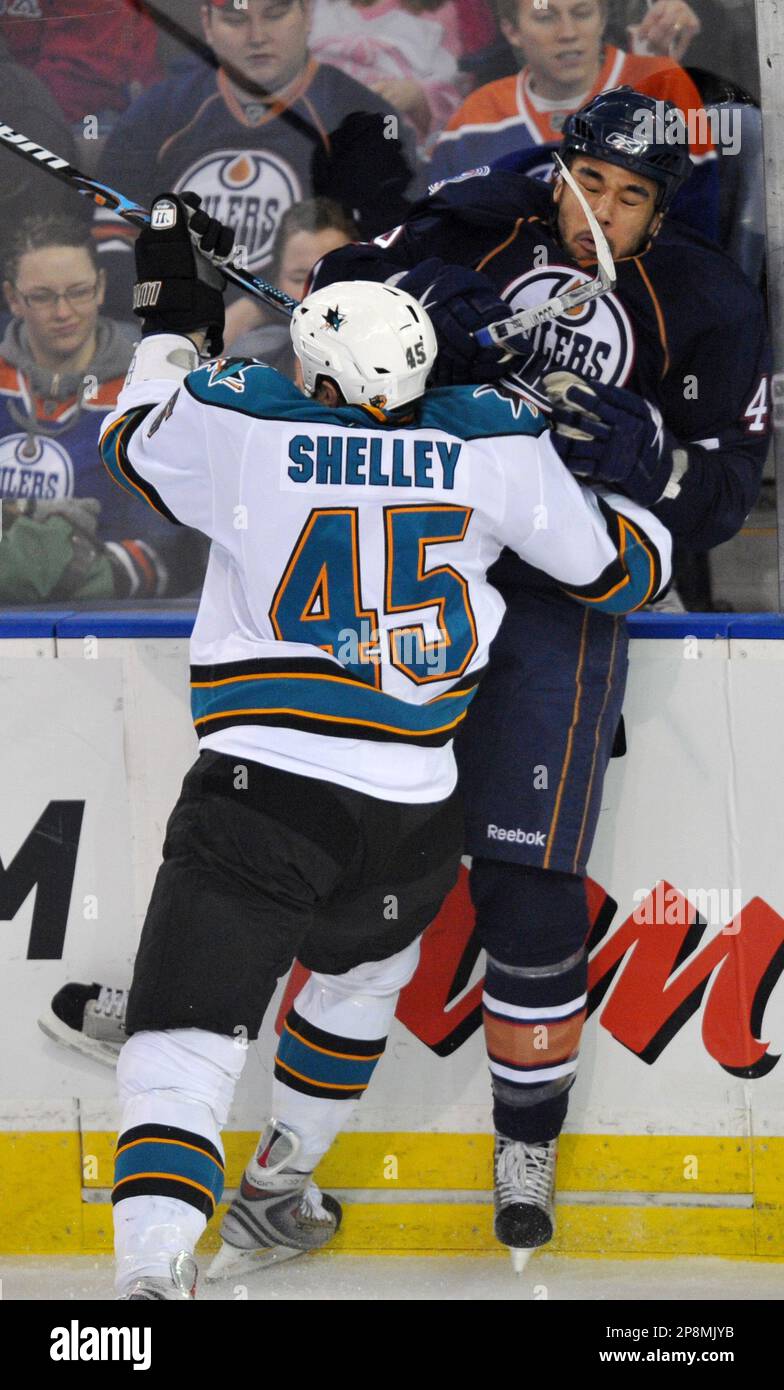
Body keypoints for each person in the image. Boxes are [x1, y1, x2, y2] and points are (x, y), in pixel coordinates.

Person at [100, 188, 670, 1297]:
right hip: (415, 817)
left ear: (319, 373)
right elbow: (619, 574)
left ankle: (149, 1282)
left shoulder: (246, 421)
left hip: (263, 796)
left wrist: (174, 300)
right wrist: (641, 476)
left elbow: (132, 436)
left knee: (183, 1046)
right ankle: (279, 1185)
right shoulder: (491, 447)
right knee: (357, 984)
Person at [309, 86, 771, 1257]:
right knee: (322, 833)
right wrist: (425, 286)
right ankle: (197, 1005)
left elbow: (725, 488)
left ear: (661, 213)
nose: (597, 217)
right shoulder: (484, 215)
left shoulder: (710, 301)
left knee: (526, 878)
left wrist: (648, 452)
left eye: (628, 201)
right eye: (587, 185)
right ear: (557, 166)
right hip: (414, 561)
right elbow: (341, 289)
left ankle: (527, 1137)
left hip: (558, 598)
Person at [94, 0, 418, 321]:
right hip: (164, 328)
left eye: (275, 14)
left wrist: (262, 310)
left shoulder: (362, 117)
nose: (256, 36)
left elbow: (389, 262)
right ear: (207, 23)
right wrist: (166, 313)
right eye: (236, 19)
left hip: (306, 336)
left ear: (307, 14)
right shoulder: (156, 113)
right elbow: (111, 236)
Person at [0, 213, 196, 602]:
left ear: (102, 287)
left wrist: (90, 574)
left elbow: (179, 542)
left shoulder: (148, 391)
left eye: (79, 292)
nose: (63, 312)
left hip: (107, 628)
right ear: (13, 299)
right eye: (42, 296)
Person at [428, 0, 715, 236]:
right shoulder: (476, 118)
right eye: (545, 17)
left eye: (582, 13)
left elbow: (697, 227)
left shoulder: (662, 85)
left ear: (602, 19)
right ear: (512, 30)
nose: (567, 32)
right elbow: (437, 230)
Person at [309, 0, 465, 149]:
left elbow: (450, 101)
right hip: (317, 128)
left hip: (394, 139)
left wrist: (417, 97)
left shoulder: (435, 13)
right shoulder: (313, 8)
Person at [226, 196, 360, 356]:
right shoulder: (258, 353)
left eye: (332, 276)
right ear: (277, 280)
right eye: (299, 279)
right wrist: (243, 314)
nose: (315, 291)